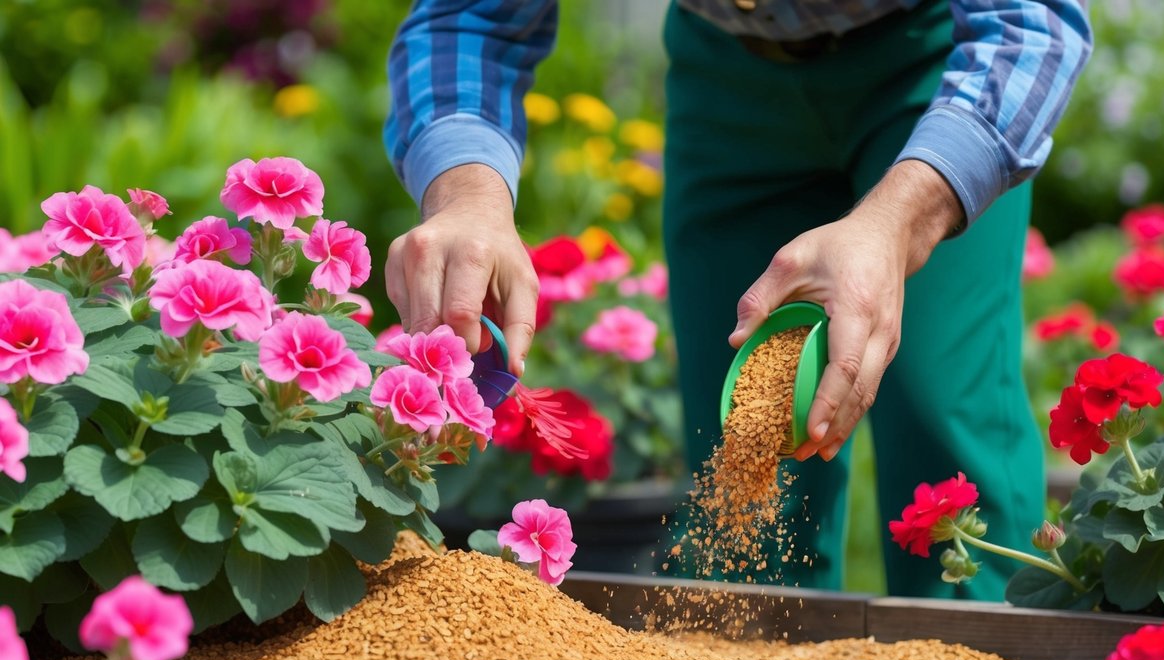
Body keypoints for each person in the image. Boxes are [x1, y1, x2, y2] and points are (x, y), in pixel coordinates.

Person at [381, 0, 1093, 601]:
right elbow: (467, 15)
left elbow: (1032, 22)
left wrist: (897, 220)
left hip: (931, 67)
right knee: (744, 444)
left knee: (940, 414)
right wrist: (468, 194)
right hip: (727, 71)